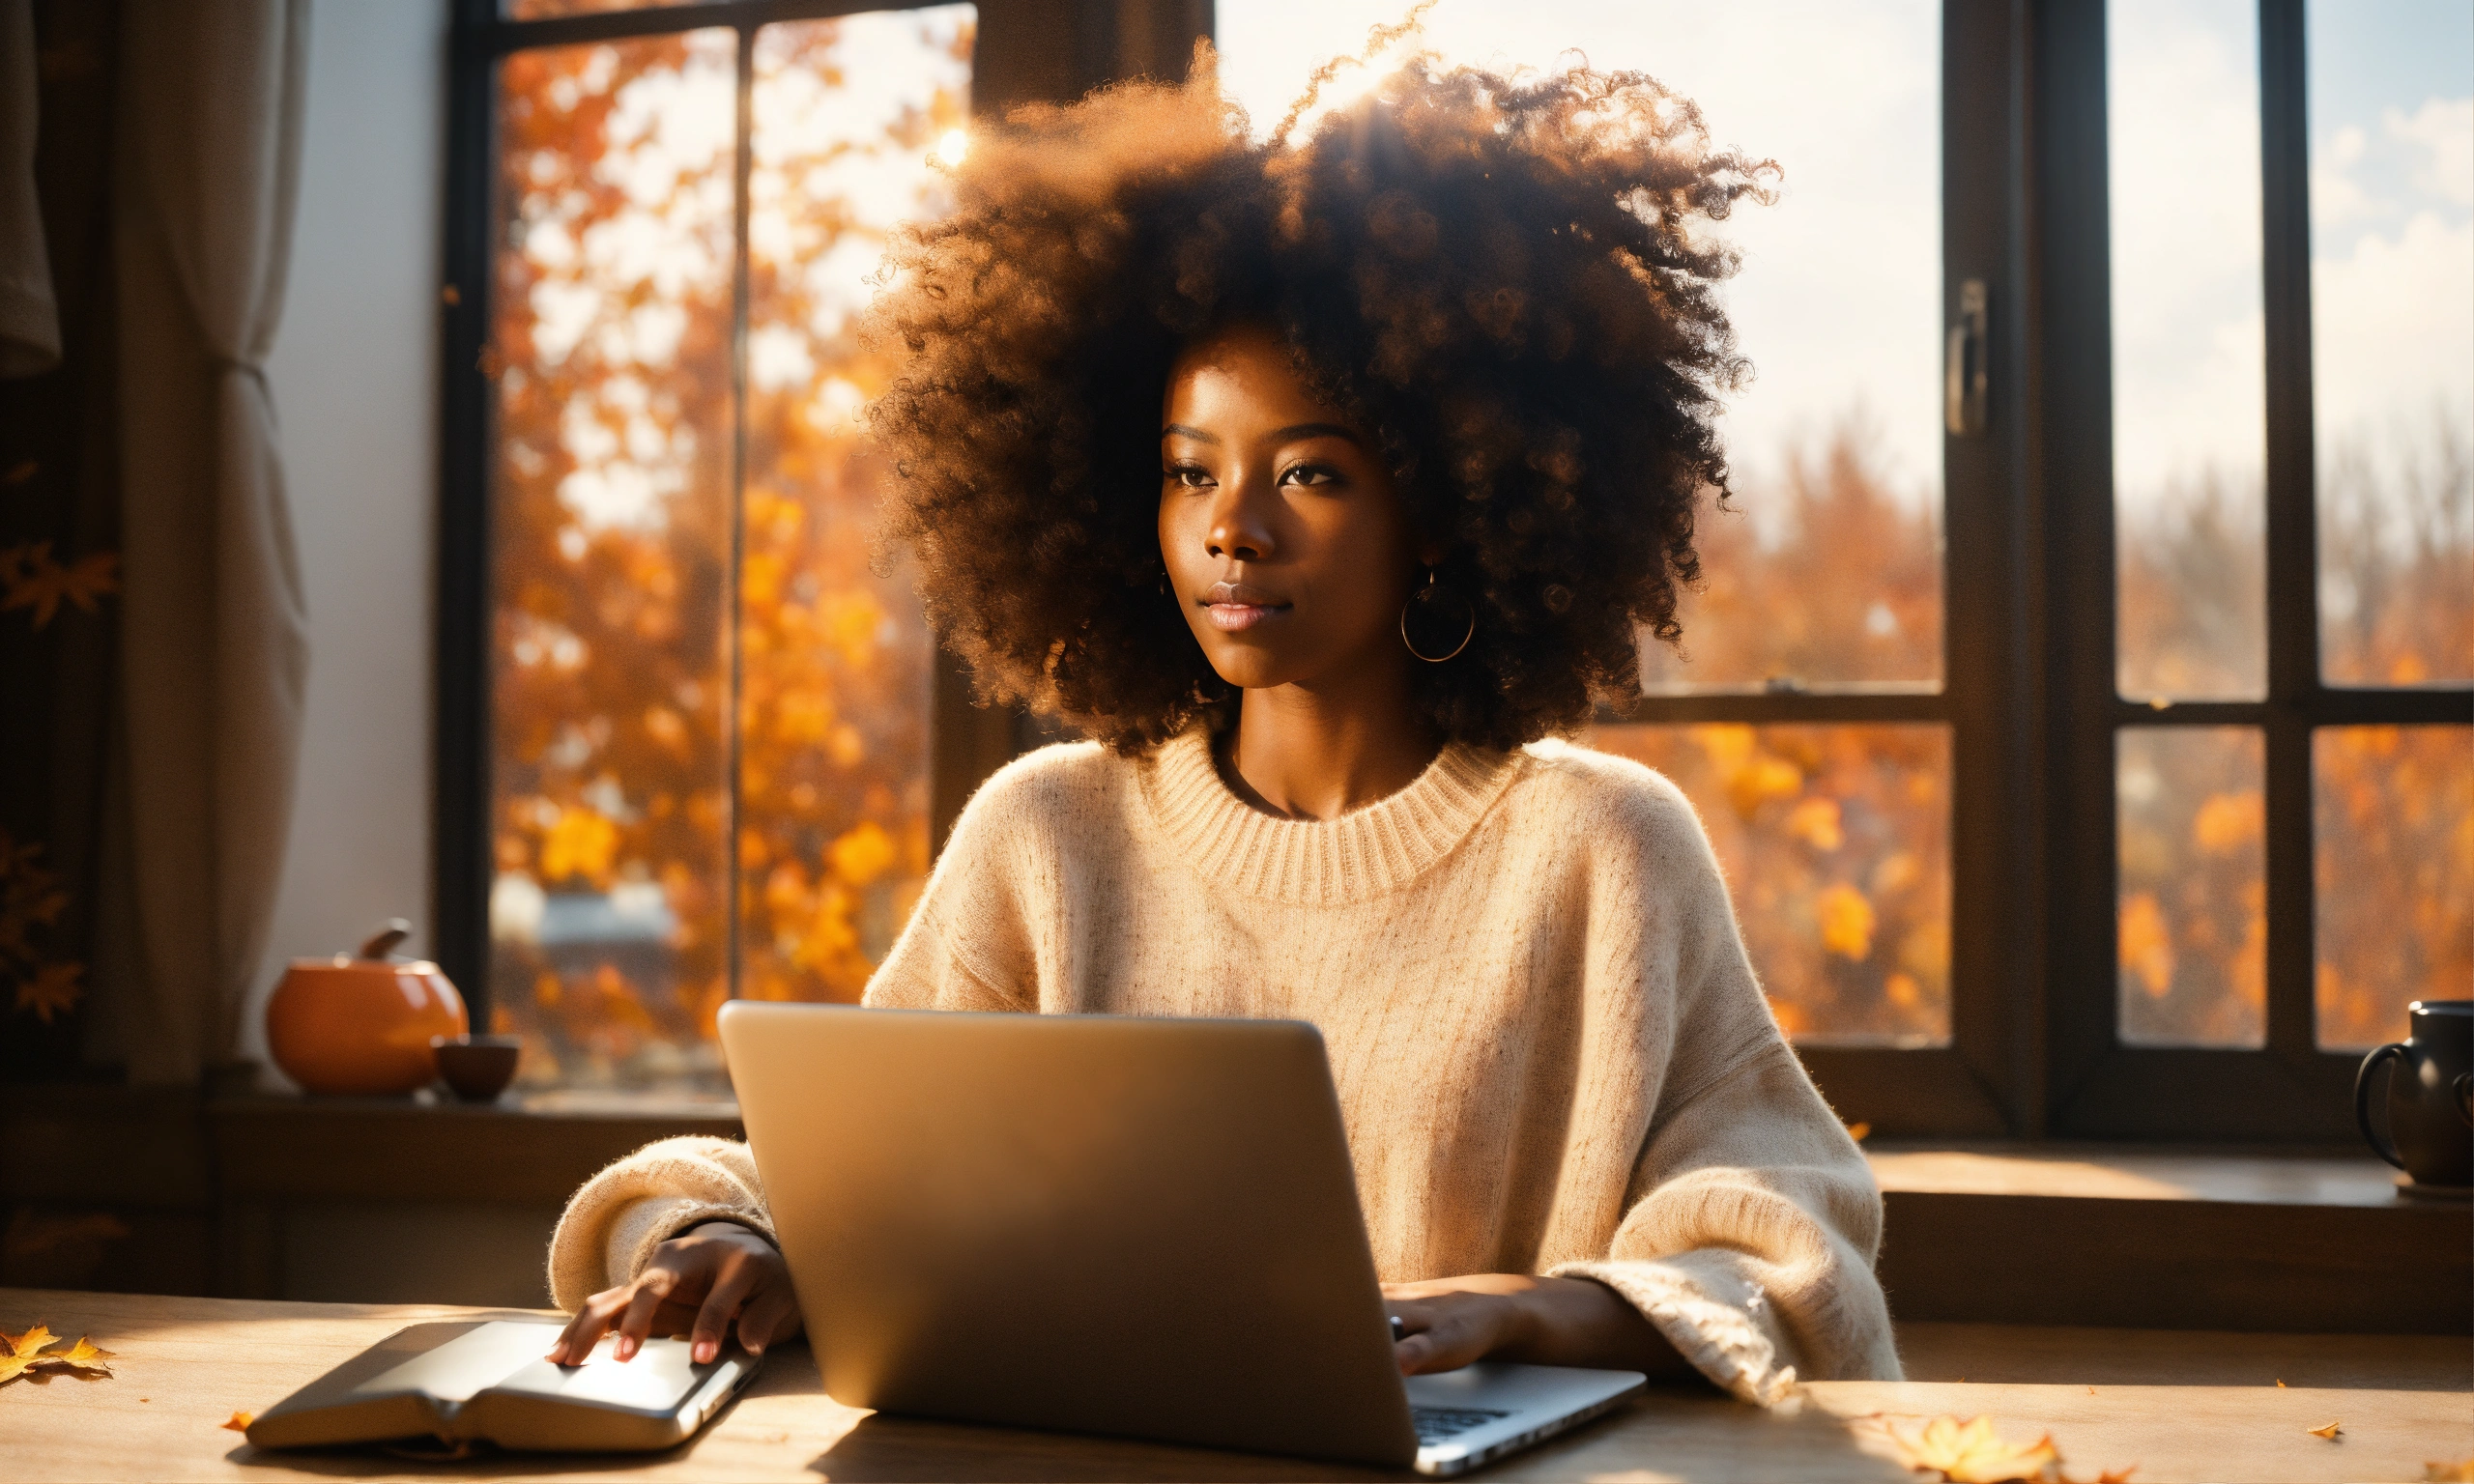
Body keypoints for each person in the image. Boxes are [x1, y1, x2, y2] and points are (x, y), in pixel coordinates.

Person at [542, 44, 1900, 1406]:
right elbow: (834, 1171)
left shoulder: (1604, 849)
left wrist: (1540, 1315)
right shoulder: (1047, 834)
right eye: (1189, 471)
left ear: (1444, 505)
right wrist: (727, 1232)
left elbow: (1785, 1236)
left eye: (1308, 472)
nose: (1230, 531)